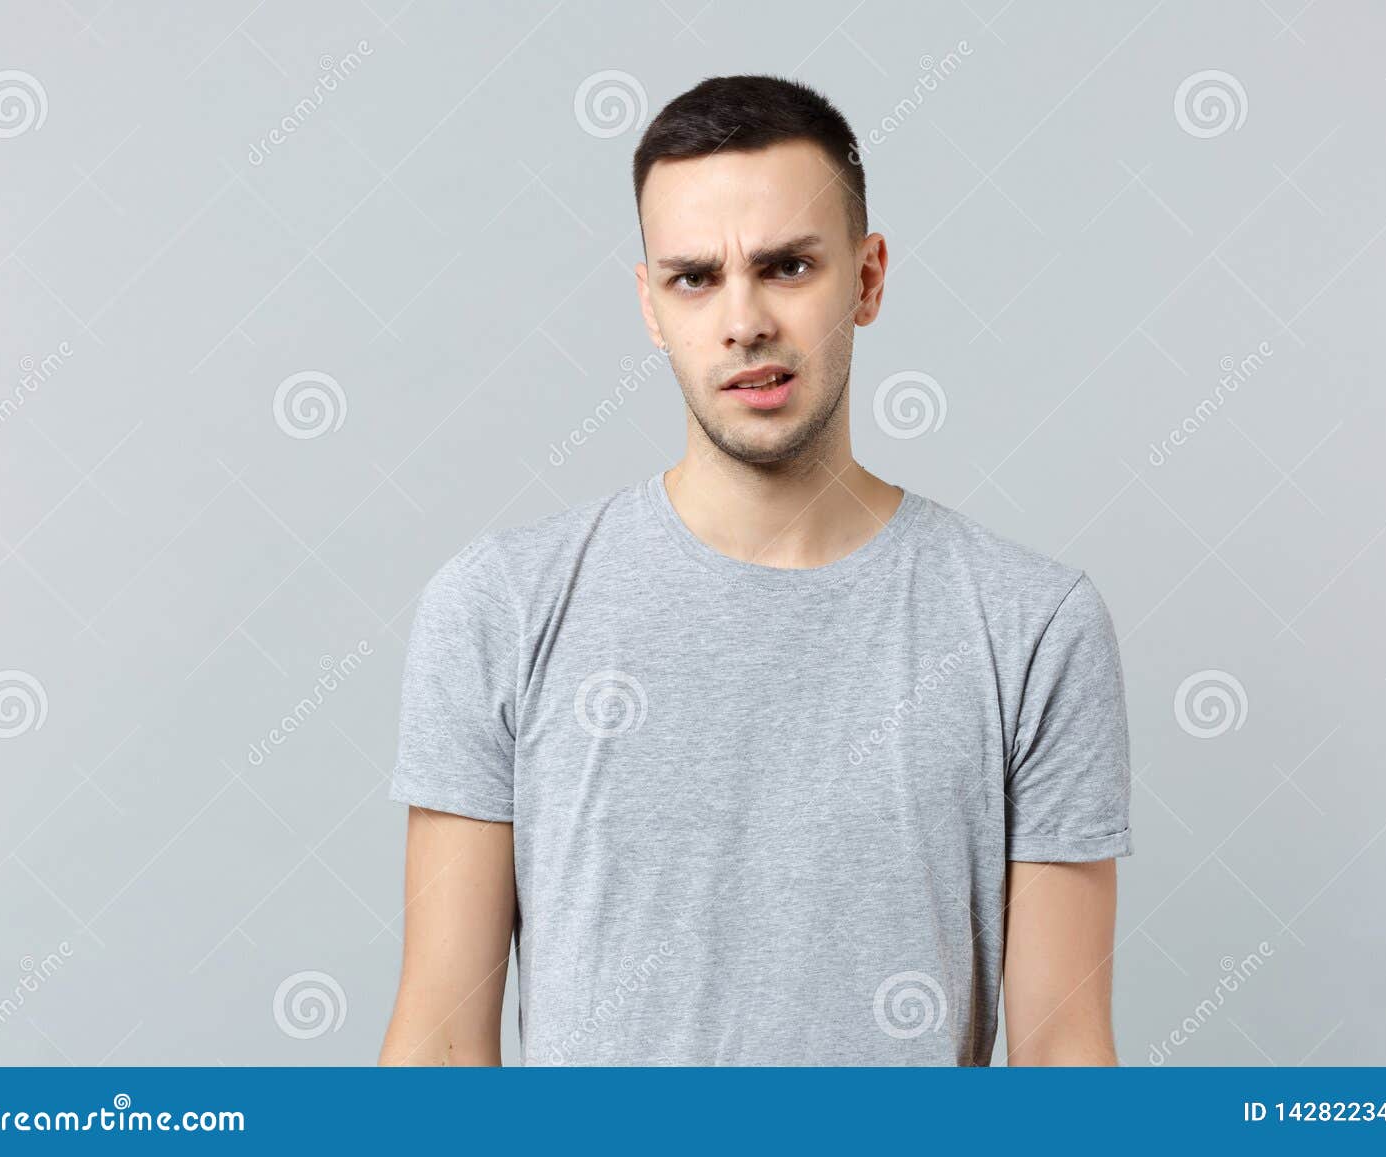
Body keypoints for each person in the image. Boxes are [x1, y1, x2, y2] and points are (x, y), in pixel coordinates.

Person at [378, 74, 1132, 1067]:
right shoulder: (496, 607)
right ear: (649, 304)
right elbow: (436, 1045)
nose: (744, 321)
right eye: (695, 277)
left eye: (785, 266)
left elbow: (1064, 1058)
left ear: (865, 279)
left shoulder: (1030, 626)